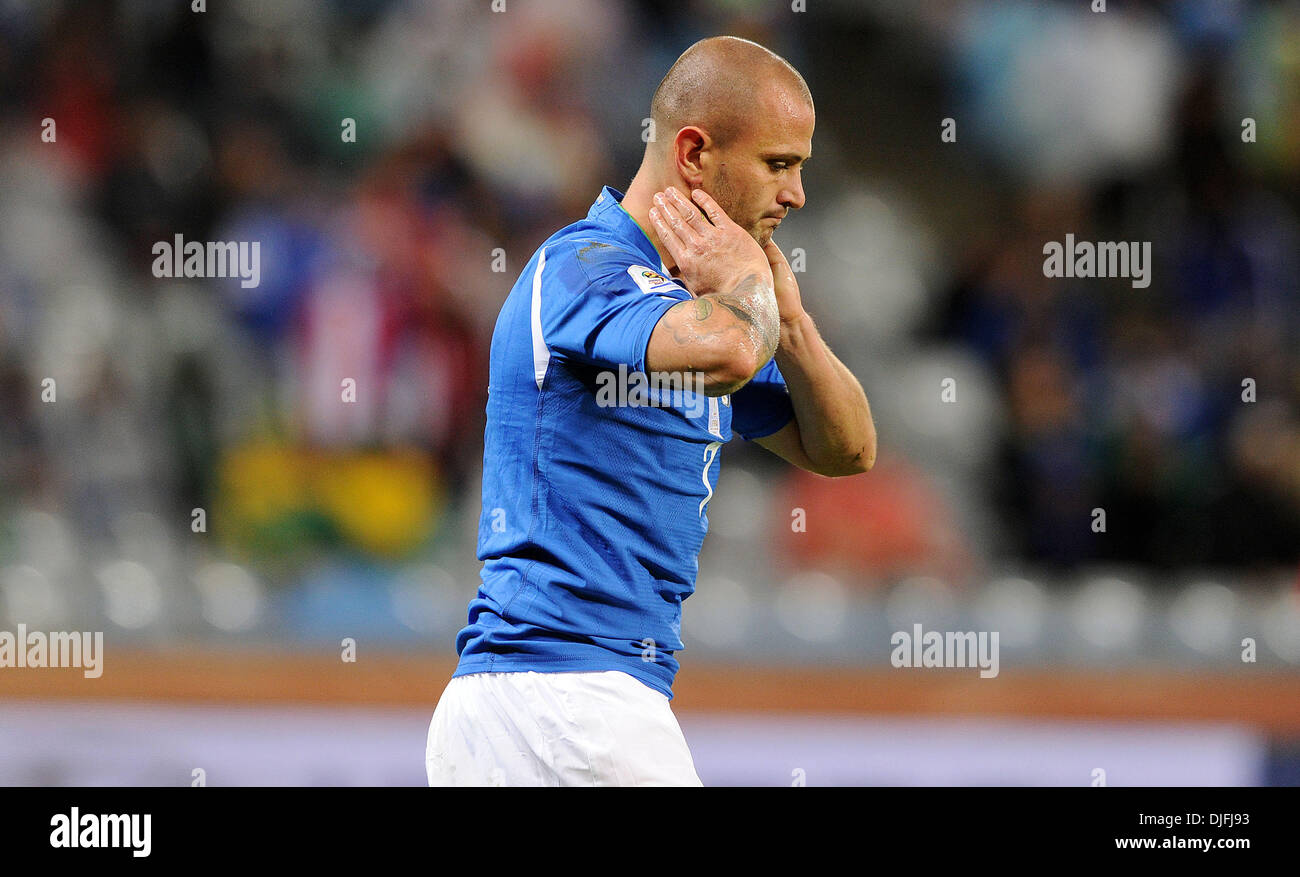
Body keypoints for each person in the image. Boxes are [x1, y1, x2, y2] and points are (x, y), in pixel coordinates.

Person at [426, 35, 876, 786]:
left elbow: (848, 449)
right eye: (779, 164)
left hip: (538, 709)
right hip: (567, 696)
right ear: (694, 154)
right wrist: (746, 290)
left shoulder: (703, 310)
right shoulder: (582, 269)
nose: (796, 194)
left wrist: (790, 325)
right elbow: (731, 350)